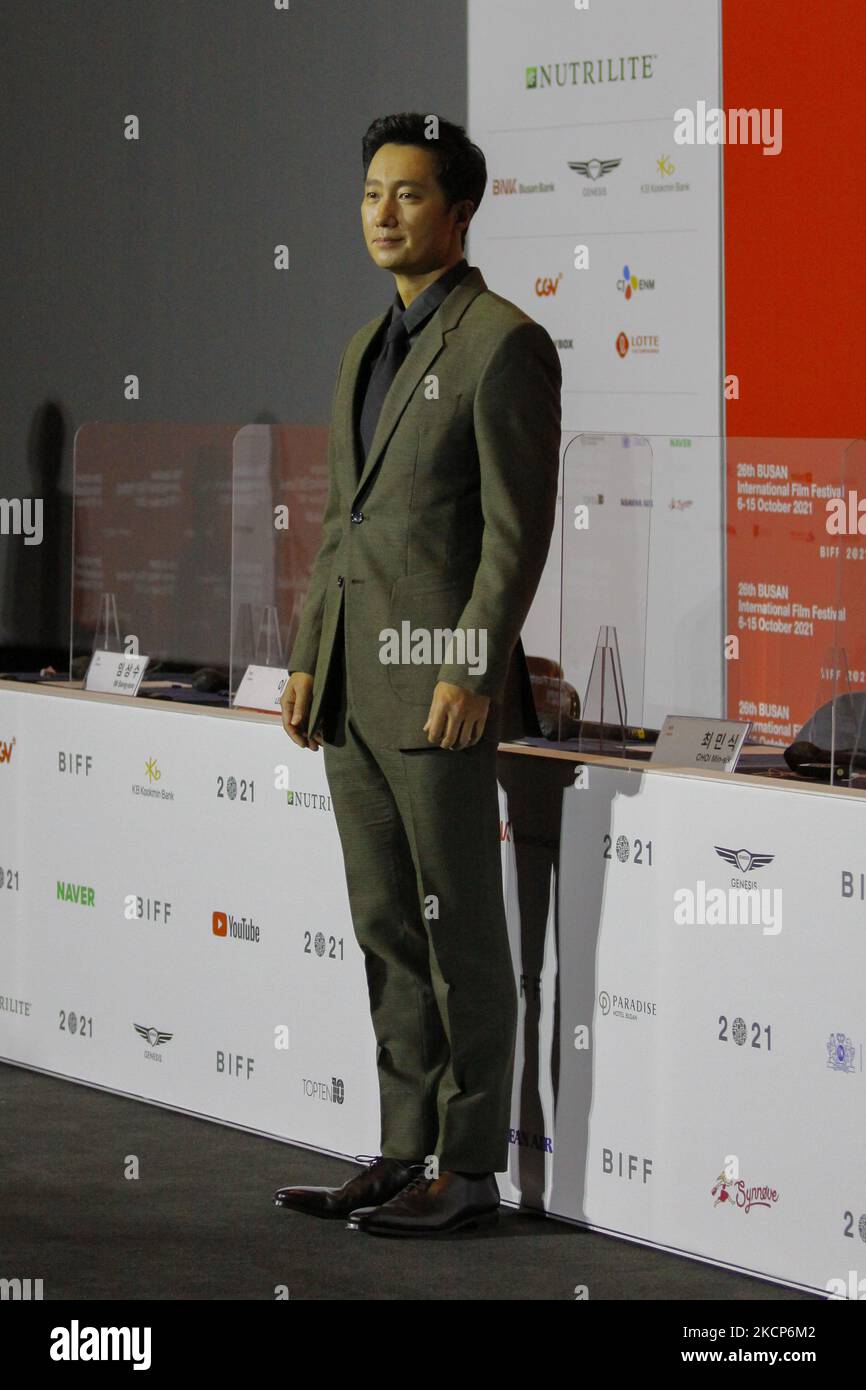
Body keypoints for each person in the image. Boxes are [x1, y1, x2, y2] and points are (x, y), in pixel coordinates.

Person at [274, 112, 561, 1236]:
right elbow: (345, 528)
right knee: (388, 927)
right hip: (350, 690)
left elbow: (513, 532)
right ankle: (402, 1150)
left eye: (405, 195)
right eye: (368, 196)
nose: (380, 215)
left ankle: (471, 1166)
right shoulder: (363, 346)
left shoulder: (502, 343)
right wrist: (304, 658)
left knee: (460, 940)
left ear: (459, 211)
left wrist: (473, 661)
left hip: (438, 689)